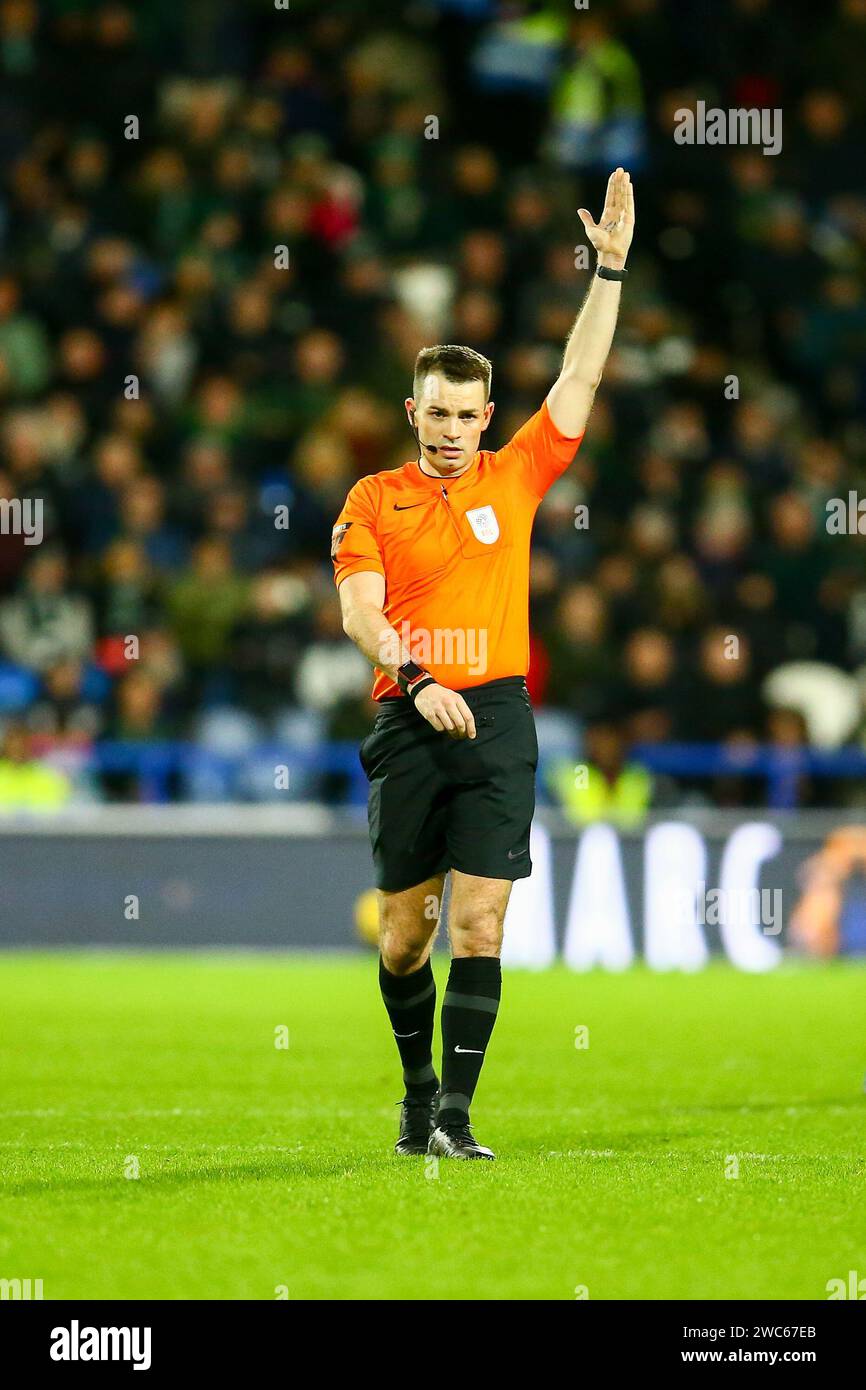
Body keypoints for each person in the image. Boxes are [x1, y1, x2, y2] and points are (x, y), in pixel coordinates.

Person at [333, 168, 634, 1160]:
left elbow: (579, 379)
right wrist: (416, 680)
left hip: (498, 715)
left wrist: (610, 270)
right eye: (438, 414)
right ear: (411, 412)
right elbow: (358, 613)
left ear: (486, 413)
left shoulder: (516, 474)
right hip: (408, 718)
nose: (455, 432)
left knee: (481, 921)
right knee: (402, 938)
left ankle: (456, 1119)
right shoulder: (373, 500)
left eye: (469, 415)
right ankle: (417, 1091)